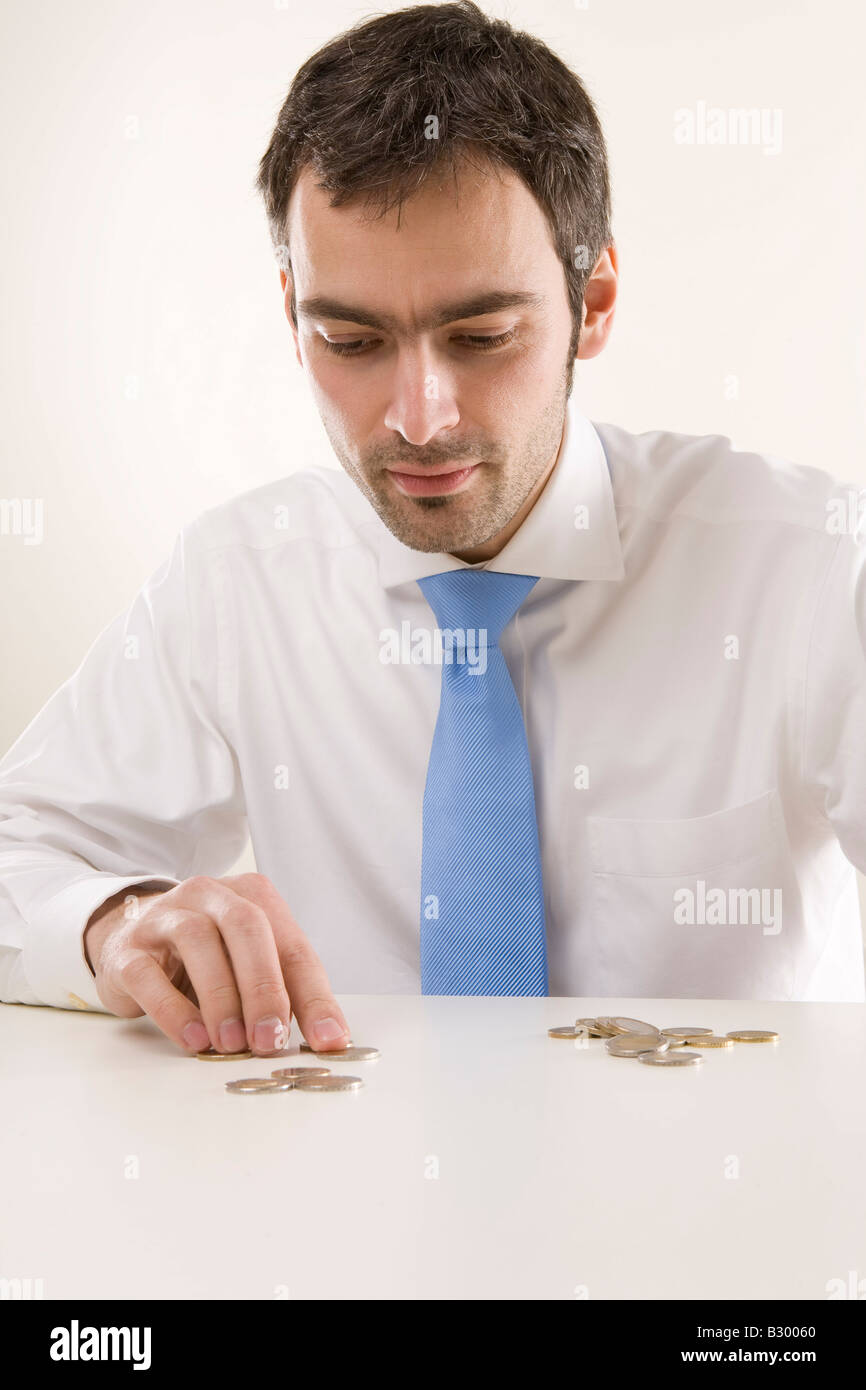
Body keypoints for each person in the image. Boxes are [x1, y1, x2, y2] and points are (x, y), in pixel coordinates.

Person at [1, 1, 864, 1060]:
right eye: (350, 339)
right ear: (290, 313)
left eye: (481, 335)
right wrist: (110, 922)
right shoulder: (236, 581)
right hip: (344, 1197)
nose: (418, 417)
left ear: (591, 300)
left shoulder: (807, 565)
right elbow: (21, 850)